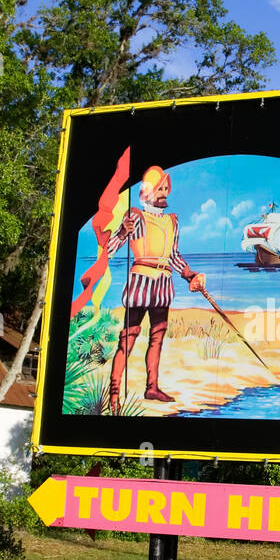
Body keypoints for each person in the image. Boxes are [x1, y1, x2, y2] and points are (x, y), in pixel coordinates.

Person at [107, 165, 205, 410]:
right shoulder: (136, 217)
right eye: (160, 189)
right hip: (141, 282)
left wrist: (189, 274)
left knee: (157, 339)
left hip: (162, 285)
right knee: (127, 339)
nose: (164, 194)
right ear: (147, 192)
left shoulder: (172, 222)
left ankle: (152, 387)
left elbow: (173, 255)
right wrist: (121, 232)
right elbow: (109, 250)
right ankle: (115, 392)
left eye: (166, 189)